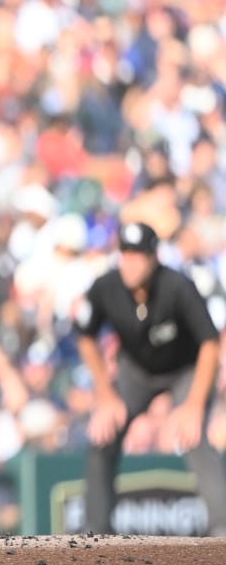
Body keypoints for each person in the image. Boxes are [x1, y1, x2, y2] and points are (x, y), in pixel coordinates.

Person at [77, 221, 226, 535]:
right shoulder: (106, 287)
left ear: (154, 257)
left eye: (138, 255)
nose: (130, 263)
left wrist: (195, 405)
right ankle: (96, 533)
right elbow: (85, 336)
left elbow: (210, 343)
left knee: (193, 436)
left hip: (184, 371)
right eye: (125, 254)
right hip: (137, 372)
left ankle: (222, 531)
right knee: (103, 432)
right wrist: (105, 395)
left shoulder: (177, 286)